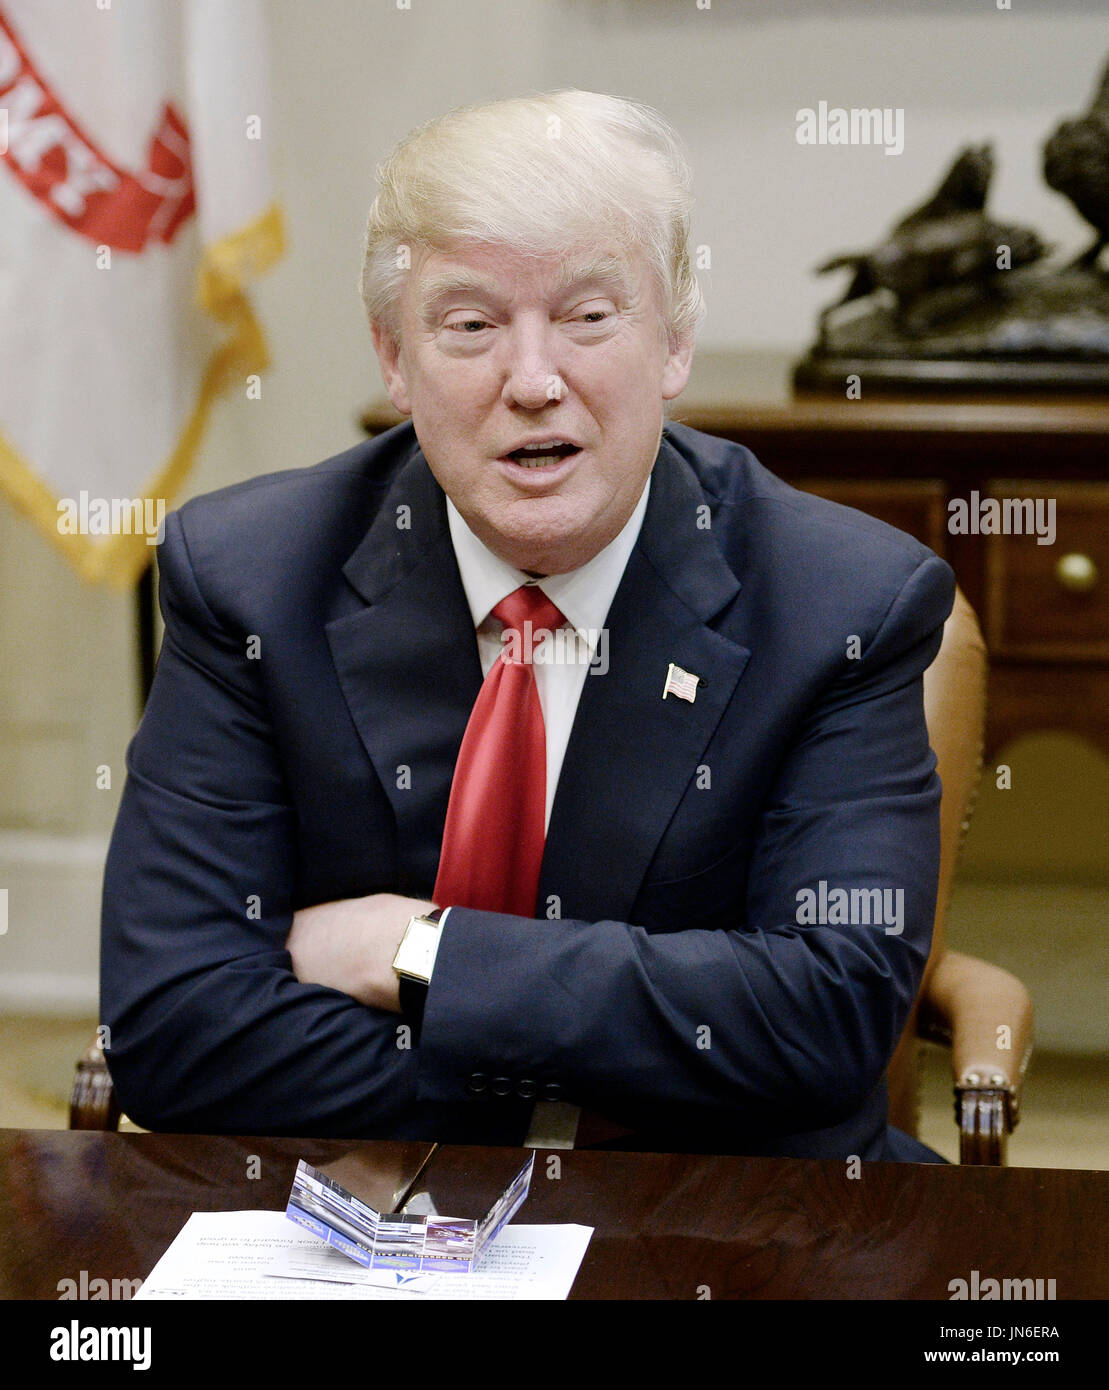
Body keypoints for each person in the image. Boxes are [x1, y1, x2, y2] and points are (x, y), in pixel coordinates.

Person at [100, 90, 955, 1161]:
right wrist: (586, 1095)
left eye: (590, 318)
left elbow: (824, 1018)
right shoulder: (247, 583)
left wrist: (418, 955)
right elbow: (175, 1028)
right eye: (470, 326)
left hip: (722, 1226)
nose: (535, 381)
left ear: (675, 343)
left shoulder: (841, 602)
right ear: (393, 359)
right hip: (354, 1220)